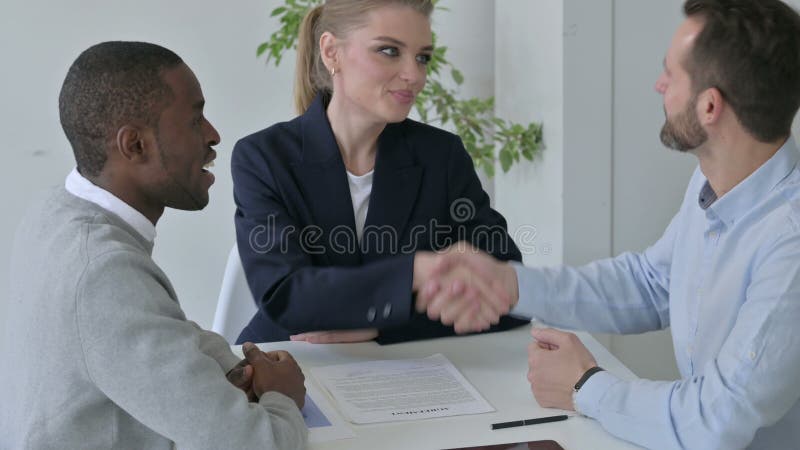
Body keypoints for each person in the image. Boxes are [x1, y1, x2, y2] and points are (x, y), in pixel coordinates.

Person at [418, 0, 800, 448]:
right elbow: (651, 282)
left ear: (710, 106)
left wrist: (586, 387)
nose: (658, 85)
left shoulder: (789, 241)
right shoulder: (715, 180)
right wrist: (509, 285)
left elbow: (717, 420)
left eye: (670, 75)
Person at [0, 41, 307, 449]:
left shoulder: (54, 211)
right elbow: (262, 444)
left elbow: (163, 326)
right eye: (195, 120)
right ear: (135, 145)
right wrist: (282, 396)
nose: (213, 136)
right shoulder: (103, 271)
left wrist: (237, 367)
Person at [232, 0, 526, 345]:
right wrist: (417, 272)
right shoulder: (264, 158)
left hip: (404, 373)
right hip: (285, 365)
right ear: (331, 52)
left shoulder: (441, 157)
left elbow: (507, 292)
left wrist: (382, 327)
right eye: (389, 51)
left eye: (422, 57)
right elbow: (288, 298)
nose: (414, 75)